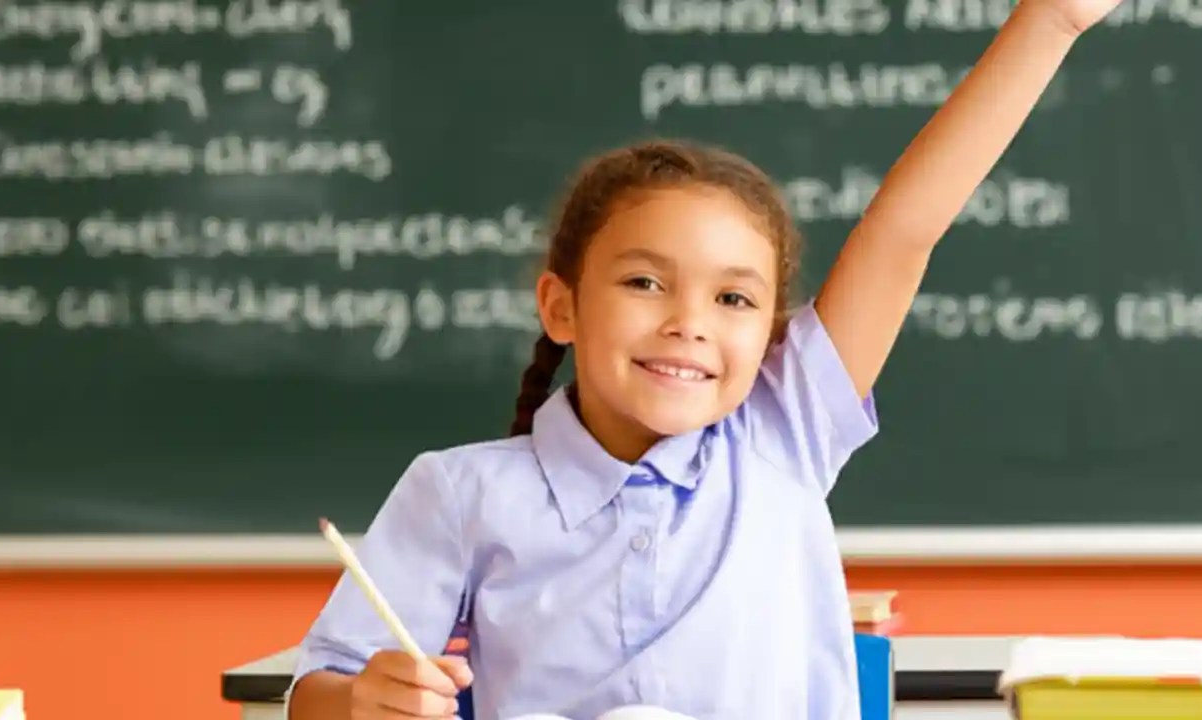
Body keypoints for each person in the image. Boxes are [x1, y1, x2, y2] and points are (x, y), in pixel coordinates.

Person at [288, 1, 1124, 717]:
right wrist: (362, 698)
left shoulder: (782, 427)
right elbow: (315, 687)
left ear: (769, 334)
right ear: (562, 306)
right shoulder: (462, 491)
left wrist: (1051, 19)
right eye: (647, 282)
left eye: (733, 299)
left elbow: (906, 229)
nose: (690, 324)